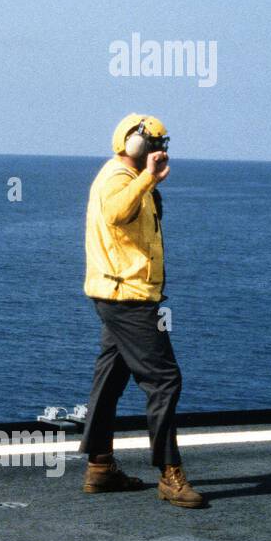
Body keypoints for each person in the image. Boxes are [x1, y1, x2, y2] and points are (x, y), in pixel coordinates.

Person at [79, 114, 204, 509]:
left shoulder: (132, 177)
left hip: (120, 293)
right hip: (126, 296)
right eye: (153, 144)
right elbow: (116, 213)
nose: (159, 151)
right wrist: (148, 178)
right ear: (135, 145)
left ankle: (100, 466)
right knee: (165, 380)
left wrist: (149, 180)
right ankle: (169, 473)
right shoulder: (119, 178)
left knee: (111, 378)